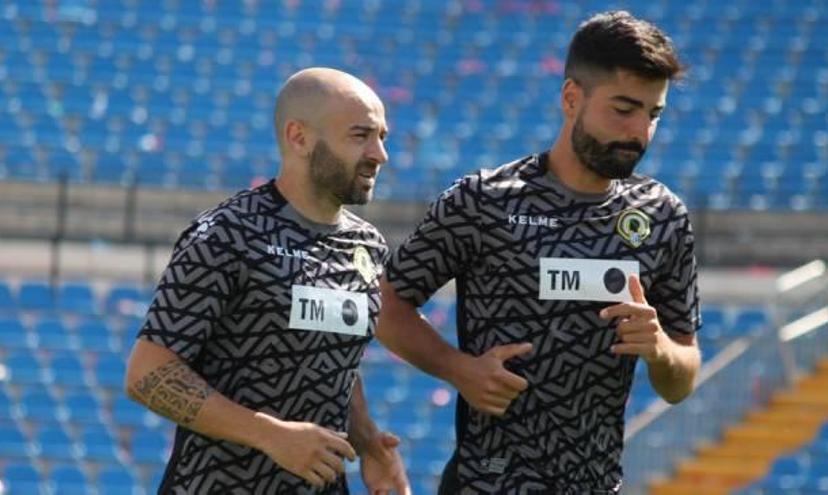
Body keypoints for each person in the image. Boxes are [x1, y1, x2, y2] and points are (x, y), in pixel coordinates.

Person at [376, 11, 702, 494]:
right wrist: (458, 369)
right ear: (572, 98)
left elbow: (681, 379)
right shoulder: (484, 200)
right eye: (624, 109)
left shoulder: (663, 216)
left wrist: (660, 351)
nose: (640, 132)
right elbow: (385, 303)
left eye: (653, 114)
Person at [125, 67, 411, 495]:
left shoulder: (367, 244)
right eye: (360, 136)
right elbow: (148, 374)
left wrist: (368, 441)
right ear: (298, 138)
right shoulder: (229, 233)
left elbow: (331, 354)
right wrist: (270, 435)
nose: (379, 154)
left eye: (382, 136)